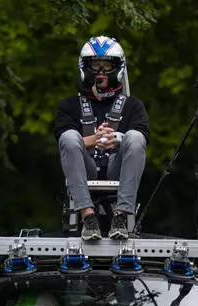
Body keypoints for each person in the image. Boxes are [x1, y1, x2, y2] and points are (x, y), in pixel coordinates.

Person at [54, 36, 149, 241]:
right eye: (95, 65)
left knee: (135, 137)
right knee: (69, 137)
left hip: (117, 166)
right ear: (85, 68)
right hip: (85, 168)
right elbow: (63, 140)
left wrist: (117, 138)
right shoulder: (69, 105)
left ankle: (121, 216)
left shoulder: (133, 106)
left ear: (118, 68)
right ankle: (88, 217)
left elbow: (142, 138)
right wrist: (93, 139)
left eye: (106, 65)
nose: (101, 71)